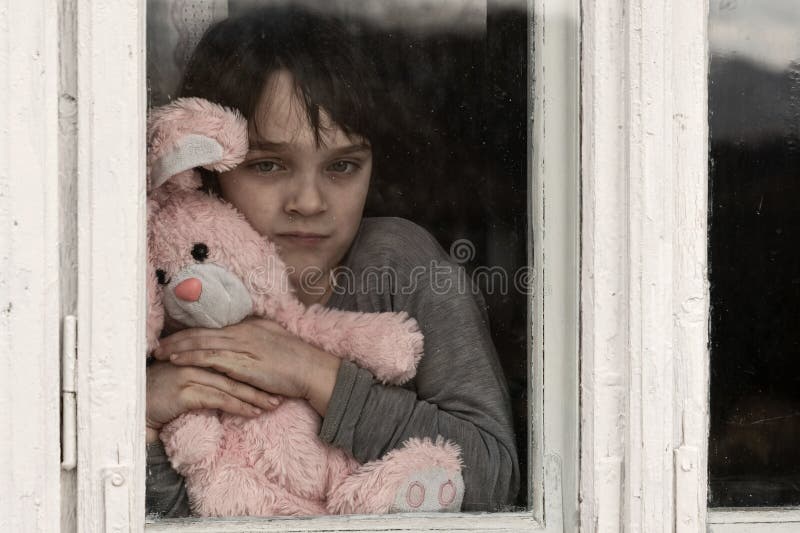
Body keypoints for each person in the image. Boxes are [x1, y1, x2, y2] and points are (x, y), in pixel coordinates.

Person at [145, 5, 519, 516]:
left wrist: (313, 372)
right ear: (208, 168)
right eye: (268, 165)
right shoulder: (173, 280)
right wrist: (143, 422)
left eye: (342, 166)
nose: (310, 201)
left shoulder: (400, 266)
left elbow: (495, 476)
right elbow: (166, 511)